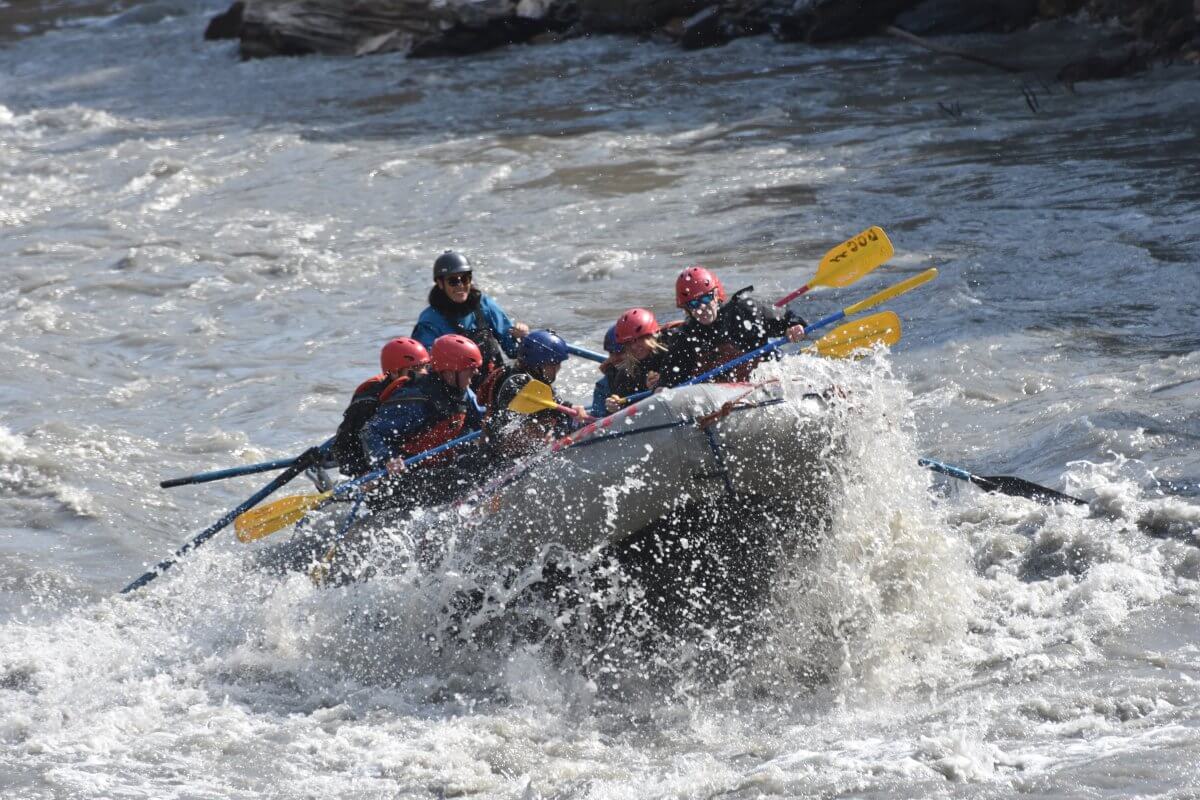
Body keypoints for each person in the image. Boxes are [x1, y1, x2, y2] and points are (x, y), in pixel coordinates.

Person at [363, 335, 486, 483]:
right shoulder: (416, 399)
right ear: (449, 371)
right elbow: (370, 431)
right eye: (470, 368)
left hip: (441, 464)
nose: (477, 372)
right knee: (459, 477)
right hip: (408, 472)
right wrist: (388, 458)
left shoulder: (464, 392)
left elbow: (482, 418)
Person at [657, 265, 806, 387]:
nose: (702, 308)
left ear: (716, 295)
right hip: (721, 395)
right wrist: (661, 387)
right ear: (687, 308)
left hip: (766, 377)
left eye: (706, 298)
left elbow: (788, 319)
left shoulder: (744, 311)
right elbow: (669, 379)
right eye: (694, 303)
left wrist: (794, 327)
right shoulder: (685, 337)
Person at [411, 250, 529, 389]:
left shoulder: (485, 305)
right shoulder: (429, 321)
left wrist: (521, 338)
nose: (460, 285)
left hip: (493, 387)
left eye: (465, 279)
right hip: (454, 391)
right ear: (440, 283)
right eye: (453, 281)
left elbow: (513, 351)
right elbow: (425, 368)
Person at [477, 329, 587, 459]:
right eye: (555, 364)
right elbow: (545, 408)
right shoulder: (516, 382)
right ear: (539, 364)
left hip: (513, 446)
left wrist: (571, 410)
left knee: (563, 421)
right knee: (539, 426)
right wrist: (567, 409)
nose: (559, 368)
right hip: (497, 455)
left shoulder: (536, 380)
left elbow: (553, 405)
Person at [331, 337, 429, 477]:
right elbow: (347, 446)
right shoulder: (368, 402)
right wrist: (365, 473)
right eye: (415, 369)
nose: (424, 374)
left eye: (425, 366)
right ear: (394, 372)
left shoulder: (420, 393)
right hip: (365, 463)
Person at [604, 308, 670, 413]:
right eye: (628, 343)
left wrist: (665, 381)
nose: (634, 347)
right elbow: (621, 408)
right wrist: (613, 407)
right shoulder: (625, 375)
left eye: (637, 340)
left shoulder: (672, 351)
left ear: (651, 335)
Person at [590, 325, 621, 418]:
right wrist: (611, 411)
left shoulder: (656, 366)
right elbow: (597, 419)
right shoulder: (603, 386)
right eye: (611, 353)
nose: (614, 358)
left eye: (620, 352)